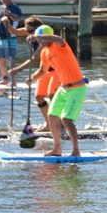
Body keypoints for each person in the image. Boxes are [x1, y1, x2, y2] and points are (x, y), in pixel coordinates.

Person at [33, 25, 88, 156]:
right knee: (52, 117)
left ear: (47, 37)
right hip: (63, 89)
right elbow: (42, 71)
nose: (40, 42)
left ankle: (76, 150)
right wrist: (31, 79)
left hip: (77, 88)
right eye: (39, 40)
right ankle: (57, 149)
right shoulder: (44, 52)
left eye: (41, 39)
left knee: (66, 119)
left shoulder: (60, 46)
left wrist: (38, 36)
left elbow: (58, 38)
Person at [11, 16, 57, 130]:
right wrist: (6, 22)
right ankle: (48, 124)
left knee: (52, 96)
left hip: (55, 71)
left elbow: (34, 58)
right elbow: (14, 31)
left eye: (30, 31)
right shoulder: (30, 33)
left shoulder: (45, 42)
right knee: (39, 97)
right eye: (26, 30)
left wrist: (18, 69)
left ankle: (58, 124)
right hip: (44, 71)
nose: (27, 33)